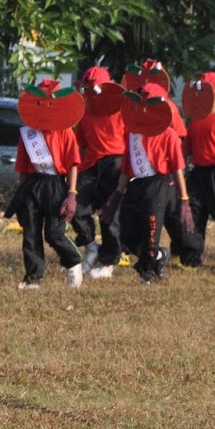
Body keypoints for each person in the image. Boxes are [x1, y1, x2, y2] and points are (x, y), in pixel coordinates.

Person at [109, 82, 193, 283]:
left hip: (158, 185)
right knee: (126, 232)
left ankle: (146, 274)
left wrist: (184, 199)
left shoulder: (169, 135)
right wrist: (116, 196)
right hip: (136, 185)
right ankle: (158, 255)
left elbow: (177, 169)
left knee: (151, 230)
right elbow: (126, 169)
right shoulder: (131, 134)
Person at [12, 80, 84, 288]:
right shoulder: (27, 133)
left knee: (54, 233)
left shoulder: (65, 131)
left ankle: (73, 261)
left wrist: (71, 194)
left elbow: (72, 164)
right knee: (30, 231)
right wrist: (20, 197)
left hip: (56, 185)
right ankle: (33, 277)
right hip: (32, 185)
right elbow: (23, 168)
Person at [171, 72, 215, 266]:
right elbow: (186, 149)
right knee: (192, 214)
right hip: (199, 173)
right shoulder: (195, 121)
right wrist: (174, 169)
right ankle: (191, 257)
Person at [73, 65, 127, 278]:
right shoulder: (84, 113)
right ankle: (90, 245)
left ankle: (109, 261)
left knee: (110, 214)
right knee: (75, 205)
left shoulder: (122, 109)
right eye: (87, 89)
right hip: (92, 165)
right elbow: (82, 144)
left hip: (116, 163)